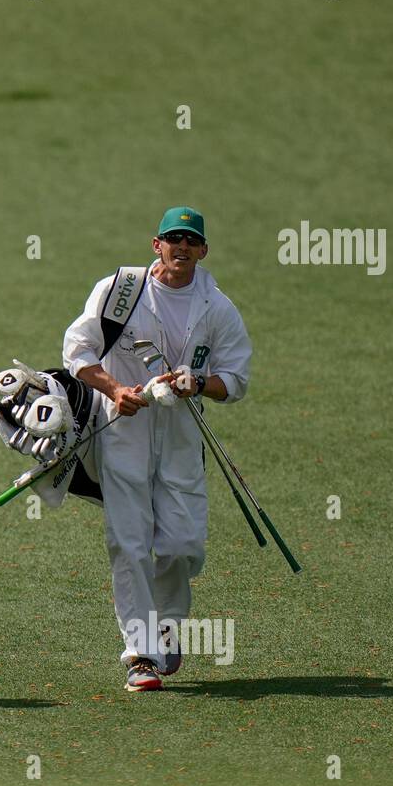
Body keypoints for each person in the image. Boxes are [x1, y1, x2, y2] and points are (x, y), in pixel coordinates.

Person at [62, 207, 251, 691]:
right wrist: (113, 389)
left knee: (183, 546)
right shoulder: (120, 290)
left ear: (203, 250)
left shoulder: (218, 307)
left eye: (191, 240)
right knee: (129, 543)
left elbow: (235, 381)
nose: (181, 247)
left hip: (183, 436)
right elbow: (77, 351)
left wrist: (199, 383)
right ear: (156, 245)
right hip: (124, 431)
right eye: (173, 238)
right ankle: (140, 654)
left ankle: (167, 630)